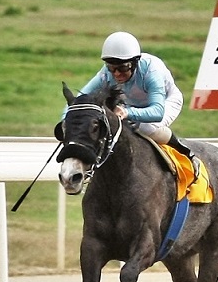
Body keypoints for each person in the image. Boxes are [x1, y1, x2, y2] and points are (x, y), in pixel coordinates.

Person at [72, 31, 198, 174]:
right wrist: (69, 120)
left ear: (134, 63)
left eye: (123, 68)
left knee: (146, 127)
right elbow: (80, 98)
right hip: (132, 105)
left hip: (166, 102)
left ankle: (184, 151)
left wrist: (128, 112)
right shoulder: (106, 73)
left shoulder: (152, 71)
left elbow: (157, 112)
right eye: (111, 68)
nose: (117, 73)